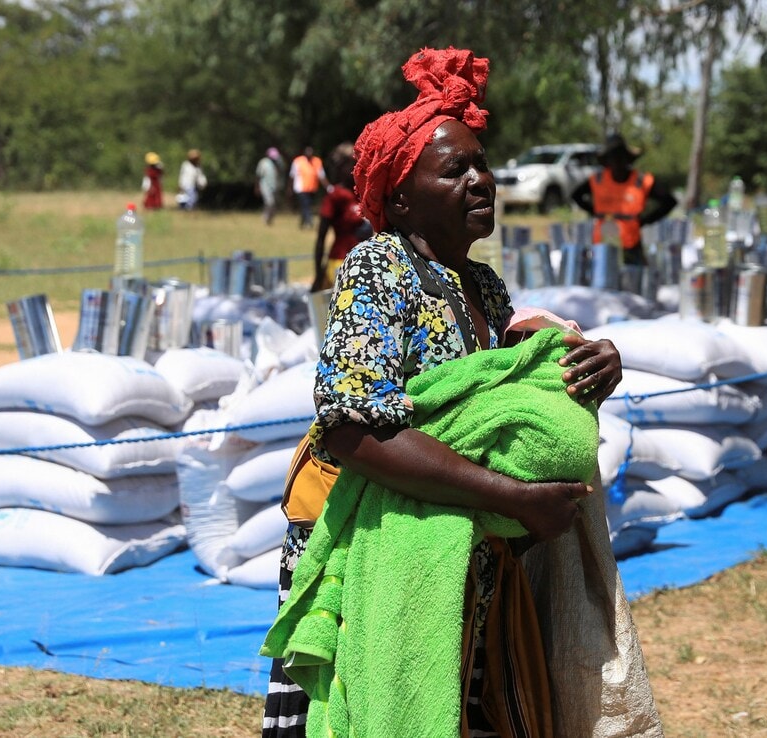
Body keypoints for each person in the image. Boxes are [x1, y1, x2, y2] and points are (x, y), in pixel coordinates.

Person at [260, 48, 636, 738]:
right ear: (401, 198)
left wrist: (593, 369)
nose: (480, 181)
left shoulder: (486, 290)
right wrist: (510, 499)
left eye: (482, 165)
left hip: (453, 539)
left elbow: (495, 404)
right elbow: (351, 428)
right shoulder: (378, 268)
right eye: (454, 169)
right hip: (372, 540)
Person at [571, 133, 677, 266]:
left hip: (631, 247)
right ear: (607, 160)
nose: (617, 161)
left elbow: (670, 201)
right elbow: (576, 196)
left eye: (620, 156)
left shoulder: (641, 181)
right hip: (602, 246)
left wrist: (645, 220)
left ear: (627, 158)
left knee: (633, 281)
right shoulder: (597, 180)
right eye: (613, 157)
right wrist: (594, 212)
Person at [310, 141, 372, 291]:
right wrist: (318, 275)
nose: (358, 168)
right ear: (342, 166)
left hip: (366, 262)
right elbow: (321, 238)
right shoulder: (335, 197)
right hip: (340, 261)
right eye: (353, 164)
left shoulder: (364, 194)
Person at [289, 145, 327, 229]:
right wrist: (290, 189)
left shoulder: (317, 161)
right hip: (300, 188)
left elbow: (321, 176)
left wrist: (328, 187)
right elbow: (292, 176)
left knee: (306, 205)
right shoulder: (298, 161)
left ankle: (302, 222)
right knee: (306, 205)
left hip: (312, 188)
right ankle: (309, 221)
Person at [255, 147, 284, 225]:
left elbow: (281, 173)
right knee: (269, 202)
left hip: (275, 186)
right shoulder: (263, 162)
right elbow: (258, 175)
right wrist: (257, 187)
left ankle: (270, 218)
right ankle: (265, 217)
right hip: (265, 186)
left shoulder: (278, 163)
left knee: (273, 204)